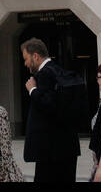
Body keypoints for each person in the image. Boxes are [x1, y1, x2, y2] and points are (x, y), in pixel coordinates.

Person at [20, 38, 80, 182]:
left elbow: (49, 105)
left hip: (50, 149)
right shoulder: (59, 71)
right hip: (67, 146)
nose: (25, 63)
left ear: (35, 56)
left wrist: (32, 90)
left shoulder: (45, 74)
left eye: (26, 59)